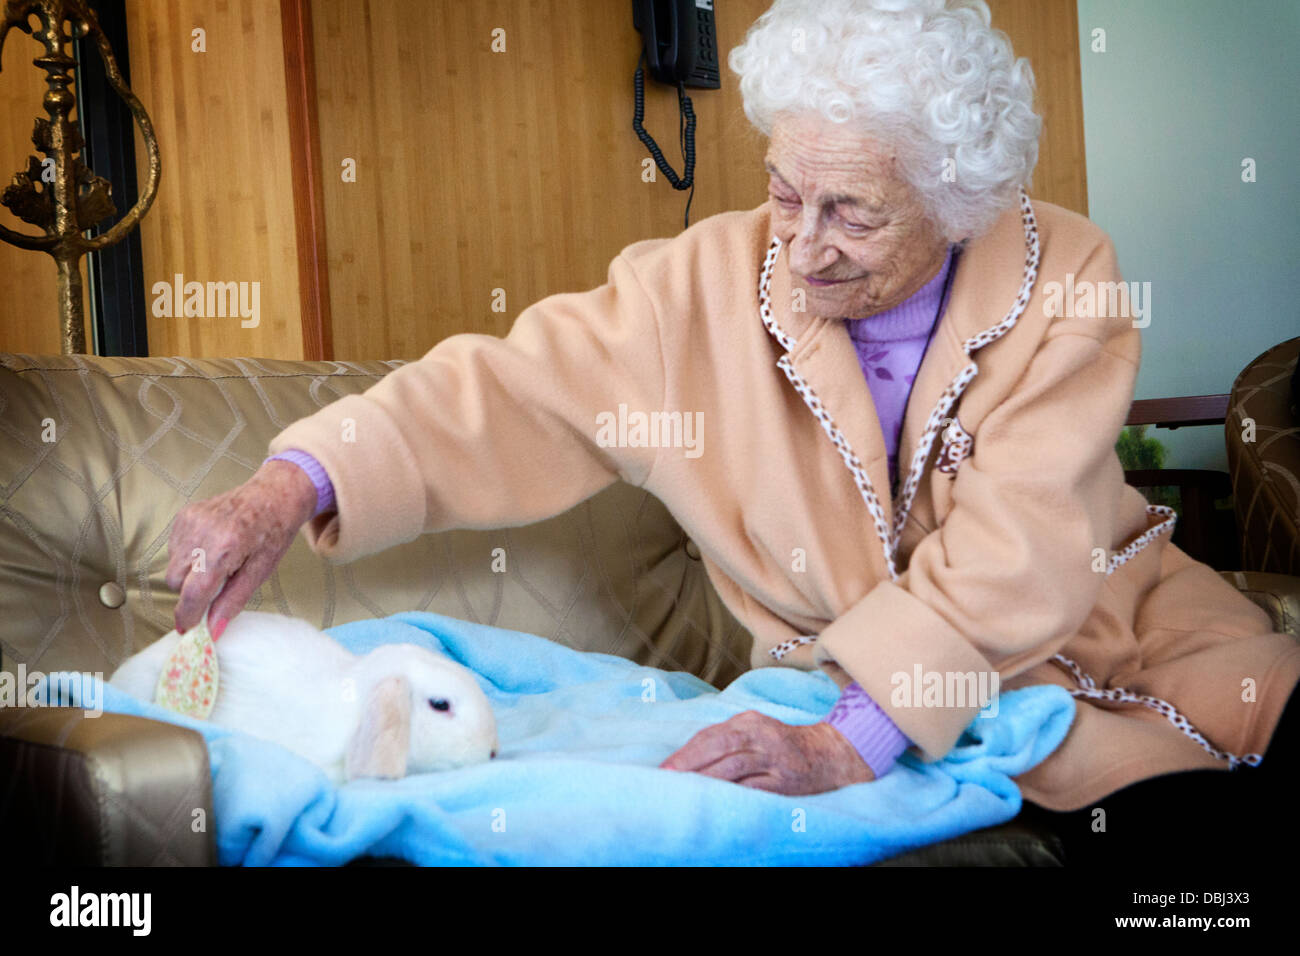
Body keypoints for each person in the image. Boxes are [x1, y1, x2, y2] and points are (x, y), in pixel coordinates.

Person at [165, 0, 1300, 865]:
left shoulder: (1065, 273)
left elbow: (1026, 539)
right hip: (988, 716)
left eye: (850, 210)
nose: (799, 246)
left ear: (958, 199)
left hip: (1136, 638)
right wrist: (287, 485)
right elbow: (501, 392)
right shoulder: (700, 288)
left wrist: (845, 742)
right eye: (781, 189)